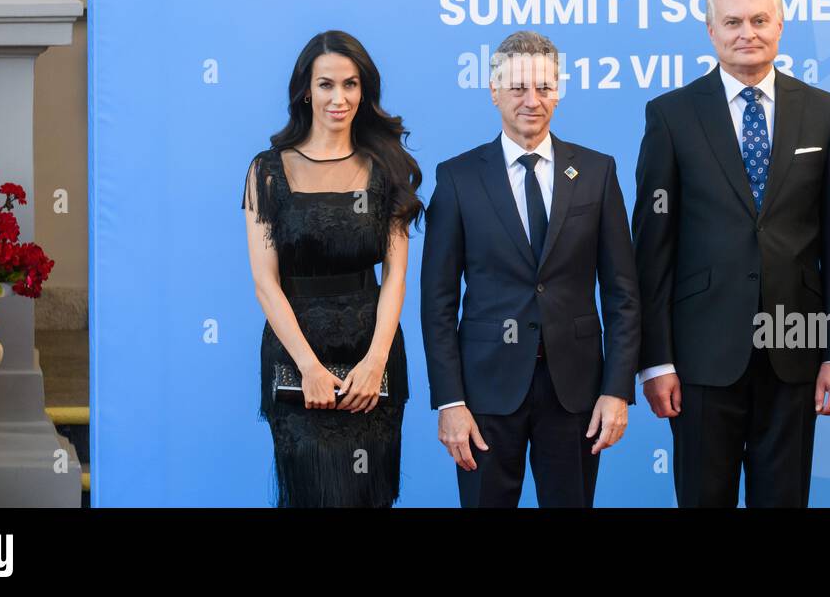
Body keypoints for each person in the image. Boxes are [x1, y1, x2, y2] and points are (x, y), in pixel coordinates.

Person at [632, 0, 830, 507]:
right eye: (732, 21)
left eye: (759, 19)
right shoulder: (671, 115)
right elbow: (652, 247)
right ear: (710, 31)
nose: (746, 33)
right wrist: (656, 360)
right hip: (701, 356)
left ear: (781, 25)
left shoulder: (824, 113)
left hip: (796, 348)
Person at [420, 30, 641, 507]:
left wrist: (617, 389)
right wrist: (450, 401)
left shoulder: (598, 172)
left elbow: (623, 291)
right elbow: (437, 301)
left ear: (558, 91)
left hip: (576, 392)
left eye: (544, 87)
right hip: (485, 392)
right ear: (495, 92)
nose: (532, 101)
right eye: (518, 88)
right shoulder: (457, 178)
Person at [242, 30, 423, 507]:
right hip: (296, 356)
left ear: (364, 92)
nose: (338, 98)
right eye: (326, 84)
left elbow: (397, 276)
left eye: (350, 84)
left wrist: (376, 360)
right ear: (306, 89)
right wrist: (309, 368)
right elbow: (265, 281)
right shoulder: (267, 170)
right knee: (313, 494)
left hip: (373, 358)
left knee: (368, 496)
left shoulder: (388, 167)